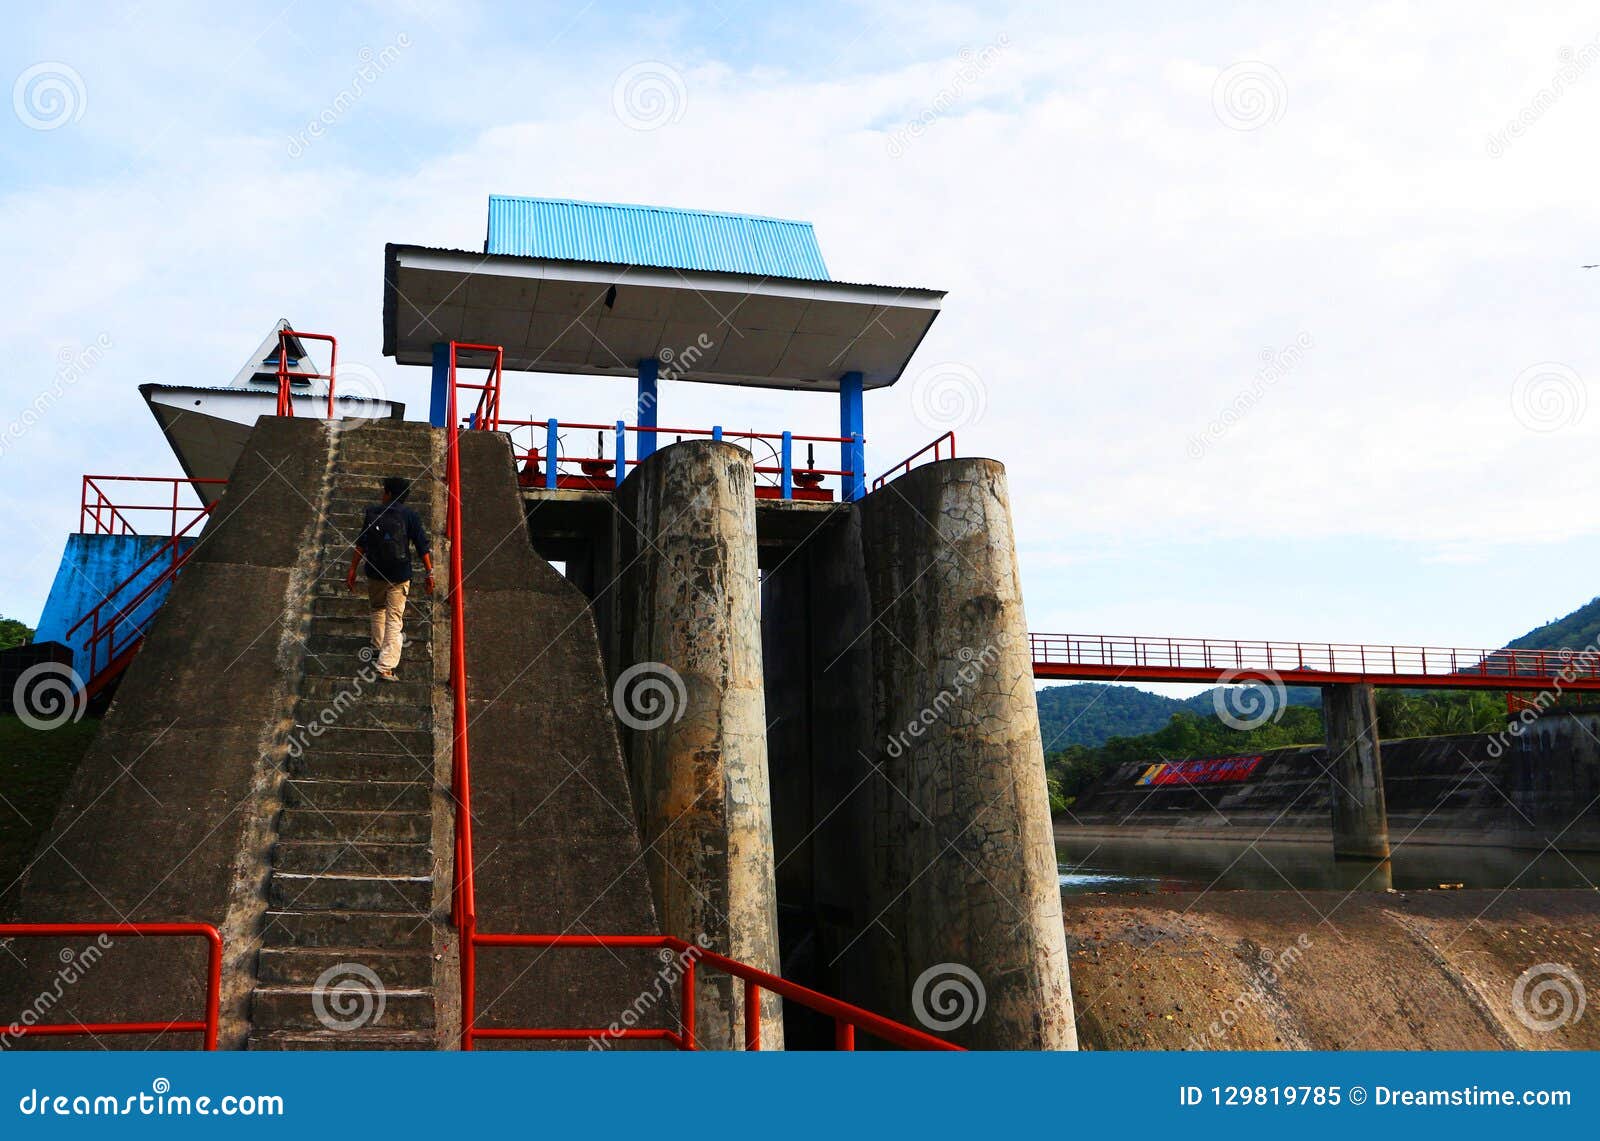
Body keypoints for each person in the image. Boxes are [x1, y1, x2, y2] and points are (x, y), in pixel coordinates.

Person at [347, 475, 434, 682]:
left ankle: (377, 647)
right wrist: (429, 573)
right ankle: (385, 667)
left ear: (388, 493)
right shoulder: (410, 516)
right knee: (394, 619)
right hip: (399, 573)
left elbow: (362, 543)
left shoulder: (372, 512)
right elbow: (422, 546)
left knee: (378, 608)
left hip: (375, 571)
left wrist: (352, 569)